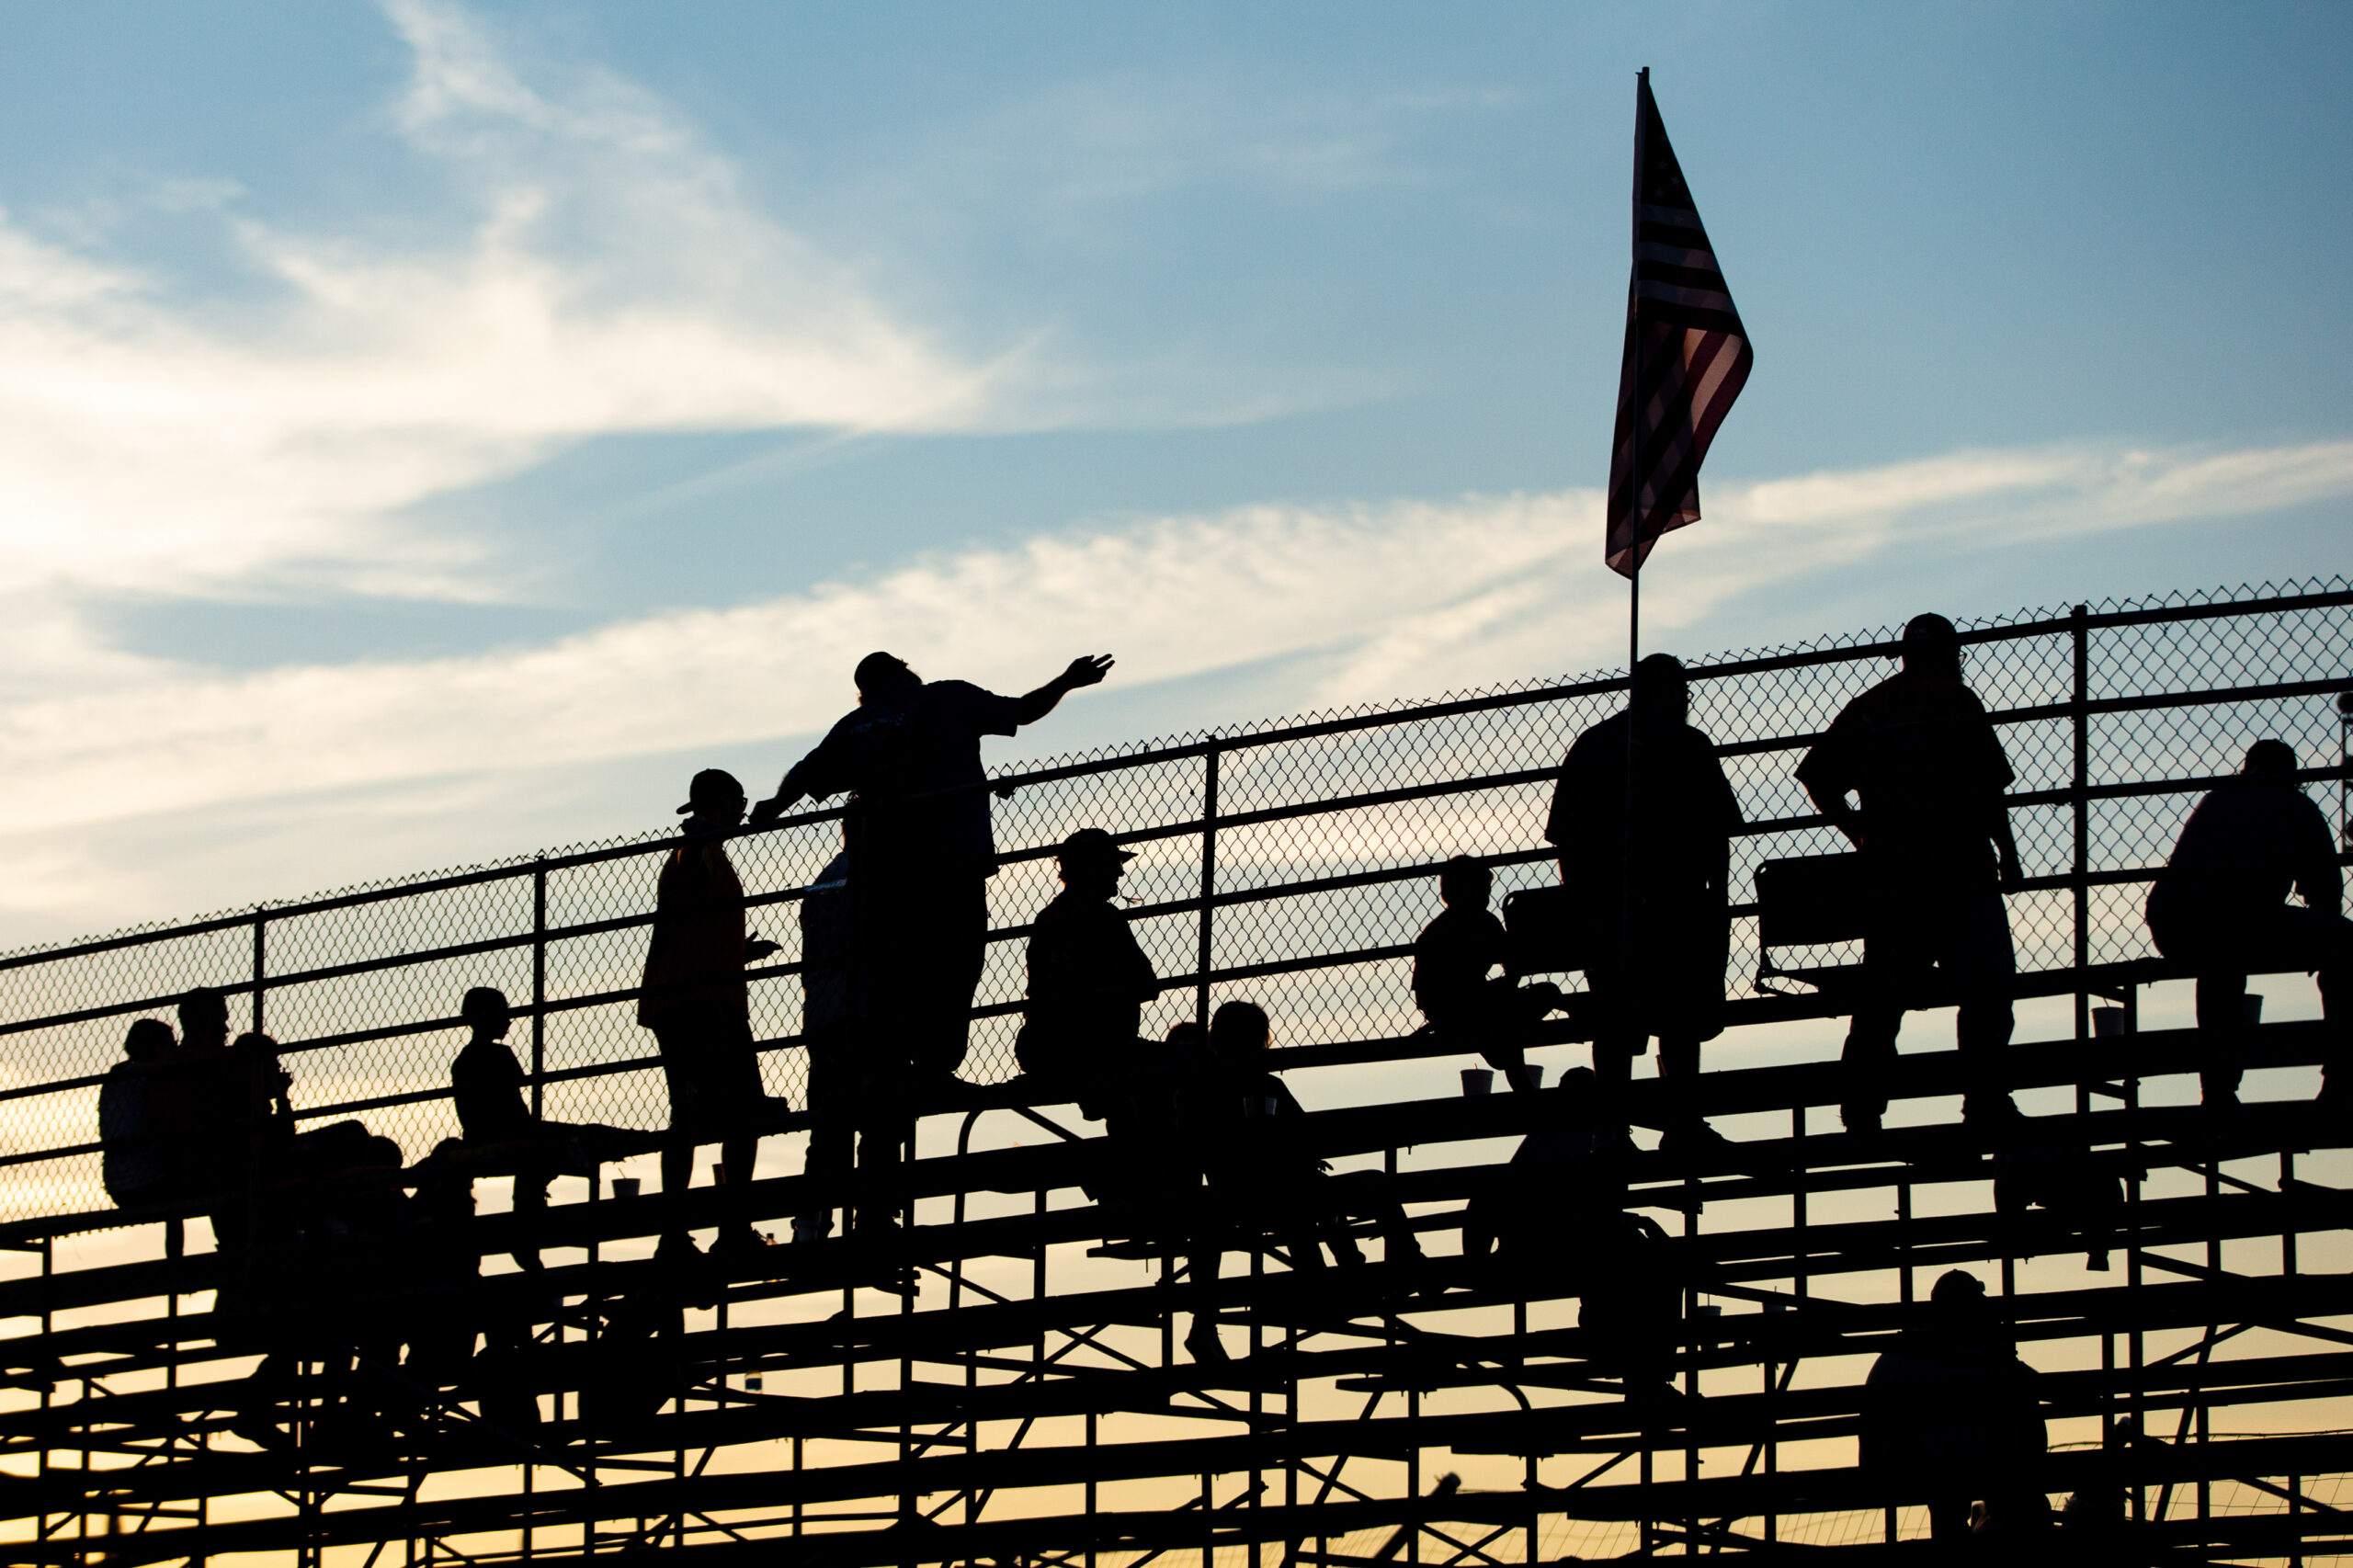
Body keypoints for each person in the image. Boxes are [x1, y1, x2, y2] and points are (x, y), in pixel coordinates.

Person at [748, 651, 1115, 1094]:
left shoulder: (856, 726)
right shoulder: (949, 697)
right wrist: (1066, 681)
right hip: (954, 861)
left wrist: (773, 807)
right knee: (956, 964)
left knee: (897, 970)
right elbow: (1022, 710)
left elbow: (807, 774)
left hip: (887, 875)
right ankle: (935, 1066)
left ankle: (896, 1064)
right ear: (904, 673)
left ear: (865, 692)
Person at [1796, 615, 2023, 1135]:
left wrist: (1861, 833)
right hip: (1961, 871)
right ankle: (1984, 1098)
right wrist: (2007, 854)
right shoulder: (1957, 702)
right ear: (1951, 655)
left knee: (1884, 997)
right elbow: (1990, 792)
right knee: (1987, 987)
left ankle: (1861, 1108)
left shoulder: (1874, 706)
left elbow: (1817, 777)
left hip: (1896, 874)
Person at [1548, 653, 1743, 1148]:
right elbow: (1720, 839)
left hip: (1626, 908)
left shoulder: (1597, 746)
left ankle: (1620, 1126)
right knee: (1660, 1018)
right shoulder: (1682, 745)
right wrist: (1715, 905)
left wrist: (1586, 906)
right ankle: (1670, 1122)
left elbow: (1565, 842)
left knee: (1632, 1020)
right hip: (1659, 905)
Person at [1181, 1001, 1421, 1364]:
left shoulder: (1245, 1085)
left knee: (1367, 1186)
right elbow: (1292, 1142)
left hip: (1279, 1191)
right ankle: (1380, 1273)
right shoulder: (1212, 1088)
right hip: (1258, 1195)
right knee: (1327, 1199)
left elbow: (1305, 1135)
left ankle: (1400, 1267)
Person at [2145, 740, 2351, 1110]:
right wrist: (2320, 936)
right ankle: (2340, 1077)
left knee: (2221, 966)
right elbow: (2326, 895)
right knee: (2344, 944)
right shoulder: (2295, 807)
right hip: (2228, 920)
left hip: (2178, 920)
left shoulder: (2221, 799)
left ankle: (2219, 1091)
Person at [639, 767, 785, 1266]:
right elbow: (695, 853)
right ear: (721, 803)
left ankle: (680, 1231)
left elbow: (695, 930)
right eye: (738, 801)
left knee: (694, 1114)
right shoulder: (698, 851)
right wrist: (702, 834)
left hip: (689, 998)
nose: (744, 809)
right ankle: (729, 1226)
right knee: (741, 1115)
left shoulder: (706, 857)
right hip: (705, 1005)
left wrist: (738, 951)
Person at [1860, 1269, 2046, 1543]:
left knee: (1947, 1505)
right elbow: (2028, 1384)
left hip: (1912, 1467)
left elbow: (1872, 1420)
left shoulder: (1901, 1351)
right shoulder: (1983, 1348)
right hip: (1966, 1463)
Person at [1018, 828, 1162, 1116]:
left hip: (1042, 1048)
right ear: (1091, 868)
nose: (1119, 873)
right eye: (1113, 864)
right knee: (1192, 1059)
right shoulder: (1104, 916)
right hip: (1097, 1049)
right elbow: (1147, 984)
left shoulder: (1047, 918)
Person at [1411, 856, 1562, 1091]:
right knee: (1543, 996)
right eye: (1482, 890)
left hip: (1445, 1014)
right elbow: (1513, 964)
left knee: (1504, 1027)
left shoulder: (1436, 928)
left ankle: (1523, 1087)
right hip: (1469, 1009)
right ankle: (1526, 1092)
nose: (1485, 897)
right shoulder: (1482, 922)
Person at [99, 1018, 176, 1210]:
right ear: (157, 1046)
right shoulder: (154, 1076)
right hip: (150, 1180)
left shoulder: (116, 1075)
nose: (175, 1051)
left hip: (116, 1182)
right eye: (171, 1044)